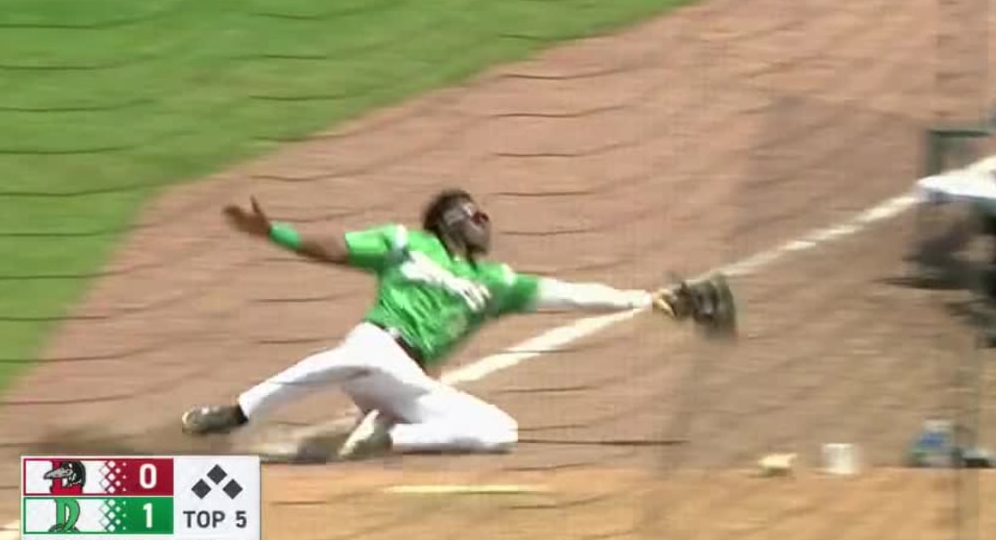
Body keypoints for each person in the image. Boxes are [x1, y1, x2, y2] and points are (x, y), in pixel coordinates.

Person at [181, 188, 688, 460]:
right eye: (476, 215)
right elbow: (333, 250)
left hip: (409, 383)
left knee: (500, 432)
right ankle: (238, 412)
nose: (485, 224)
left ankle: (389, 436)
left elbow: (568, 294)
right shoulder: (404, 243)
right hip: (377, 348)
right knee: (349, 357)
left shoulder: (496, 282)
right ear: (452, 221)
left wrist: (642, 301)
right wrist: (274, 233)